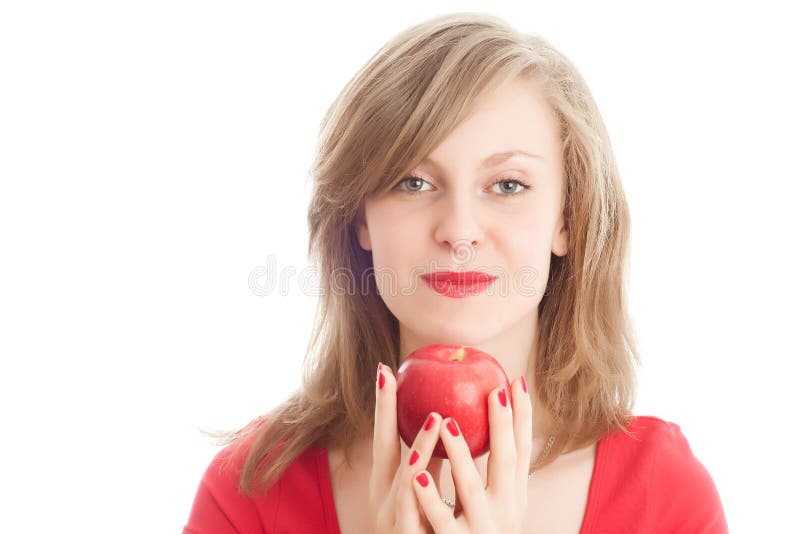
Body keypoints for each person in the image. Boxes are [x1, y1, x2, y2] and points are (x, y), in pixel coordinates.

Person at [183, 12, 728, 533]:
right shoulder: (252, 492)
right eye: (413, 182)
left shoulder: (666, 496)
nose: (460, 230)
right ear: (360, 220)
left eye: (508, 185)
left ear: (568, 218)